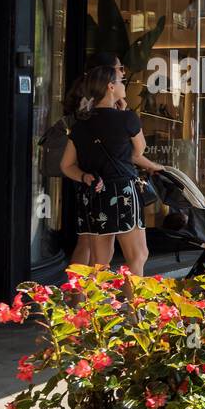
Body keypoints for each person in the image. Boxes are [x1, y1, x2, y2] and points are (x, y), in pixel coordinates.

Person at [59, 54, 162, 275]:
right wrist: (123, 114)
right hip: (123, 191)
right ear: (110, 87)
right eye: (121, 81)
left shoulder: (80, 124)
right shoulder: (127, 119)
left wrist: (85, 176)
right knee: (138, 255)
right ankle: (132, 309)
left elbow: (67, 165)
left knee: (99, 262)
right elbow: (138, 151)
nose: (124, 84)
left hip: (94, 193)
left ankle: (90, 307)